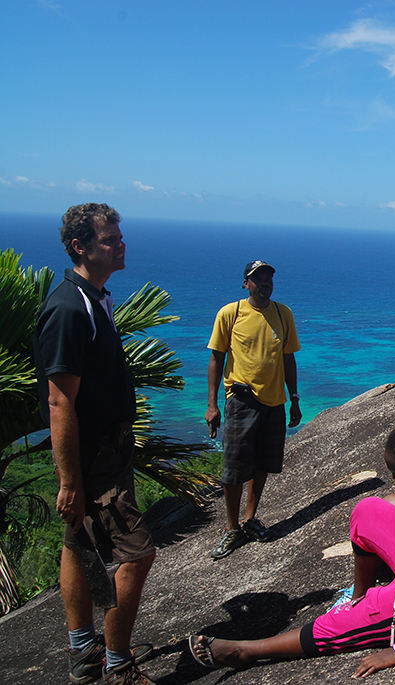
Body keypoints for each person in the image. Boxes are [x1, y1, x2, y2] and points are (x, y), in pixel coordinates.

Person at [189, 419, 395, 678]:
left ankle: (248, 651)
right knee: (368, 511)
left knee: (332, 626)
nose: (394, 480)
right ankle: (359, 596)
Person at [34, 203, 156, 684]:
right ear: (79, 247)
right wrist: (70, 481)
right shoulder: (69, 307)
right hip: (95, 455)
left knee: (78, 543)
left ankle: (83, 653)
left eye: (120, 237)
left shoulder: (94, 297)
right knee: (138, 552)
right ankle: (117, 662)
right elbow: (59, 402)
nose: (120, 244)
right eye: (110, 239)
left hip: (106, 449)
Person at [205, 260, 301, 559]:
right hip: (242, 400)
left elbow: (288, 358)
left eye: (269, 278)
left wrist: (294, 398)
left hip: (274, 402)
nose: (264, 283)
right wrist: (211, 404)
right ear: (245, 283)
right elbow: (216, 358)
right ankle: (232, 529)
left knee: (262, 464)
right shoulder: (230, 314)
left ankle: (250, 519)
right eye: (257, 279)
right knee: (234, 468)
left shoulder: (283, 314)